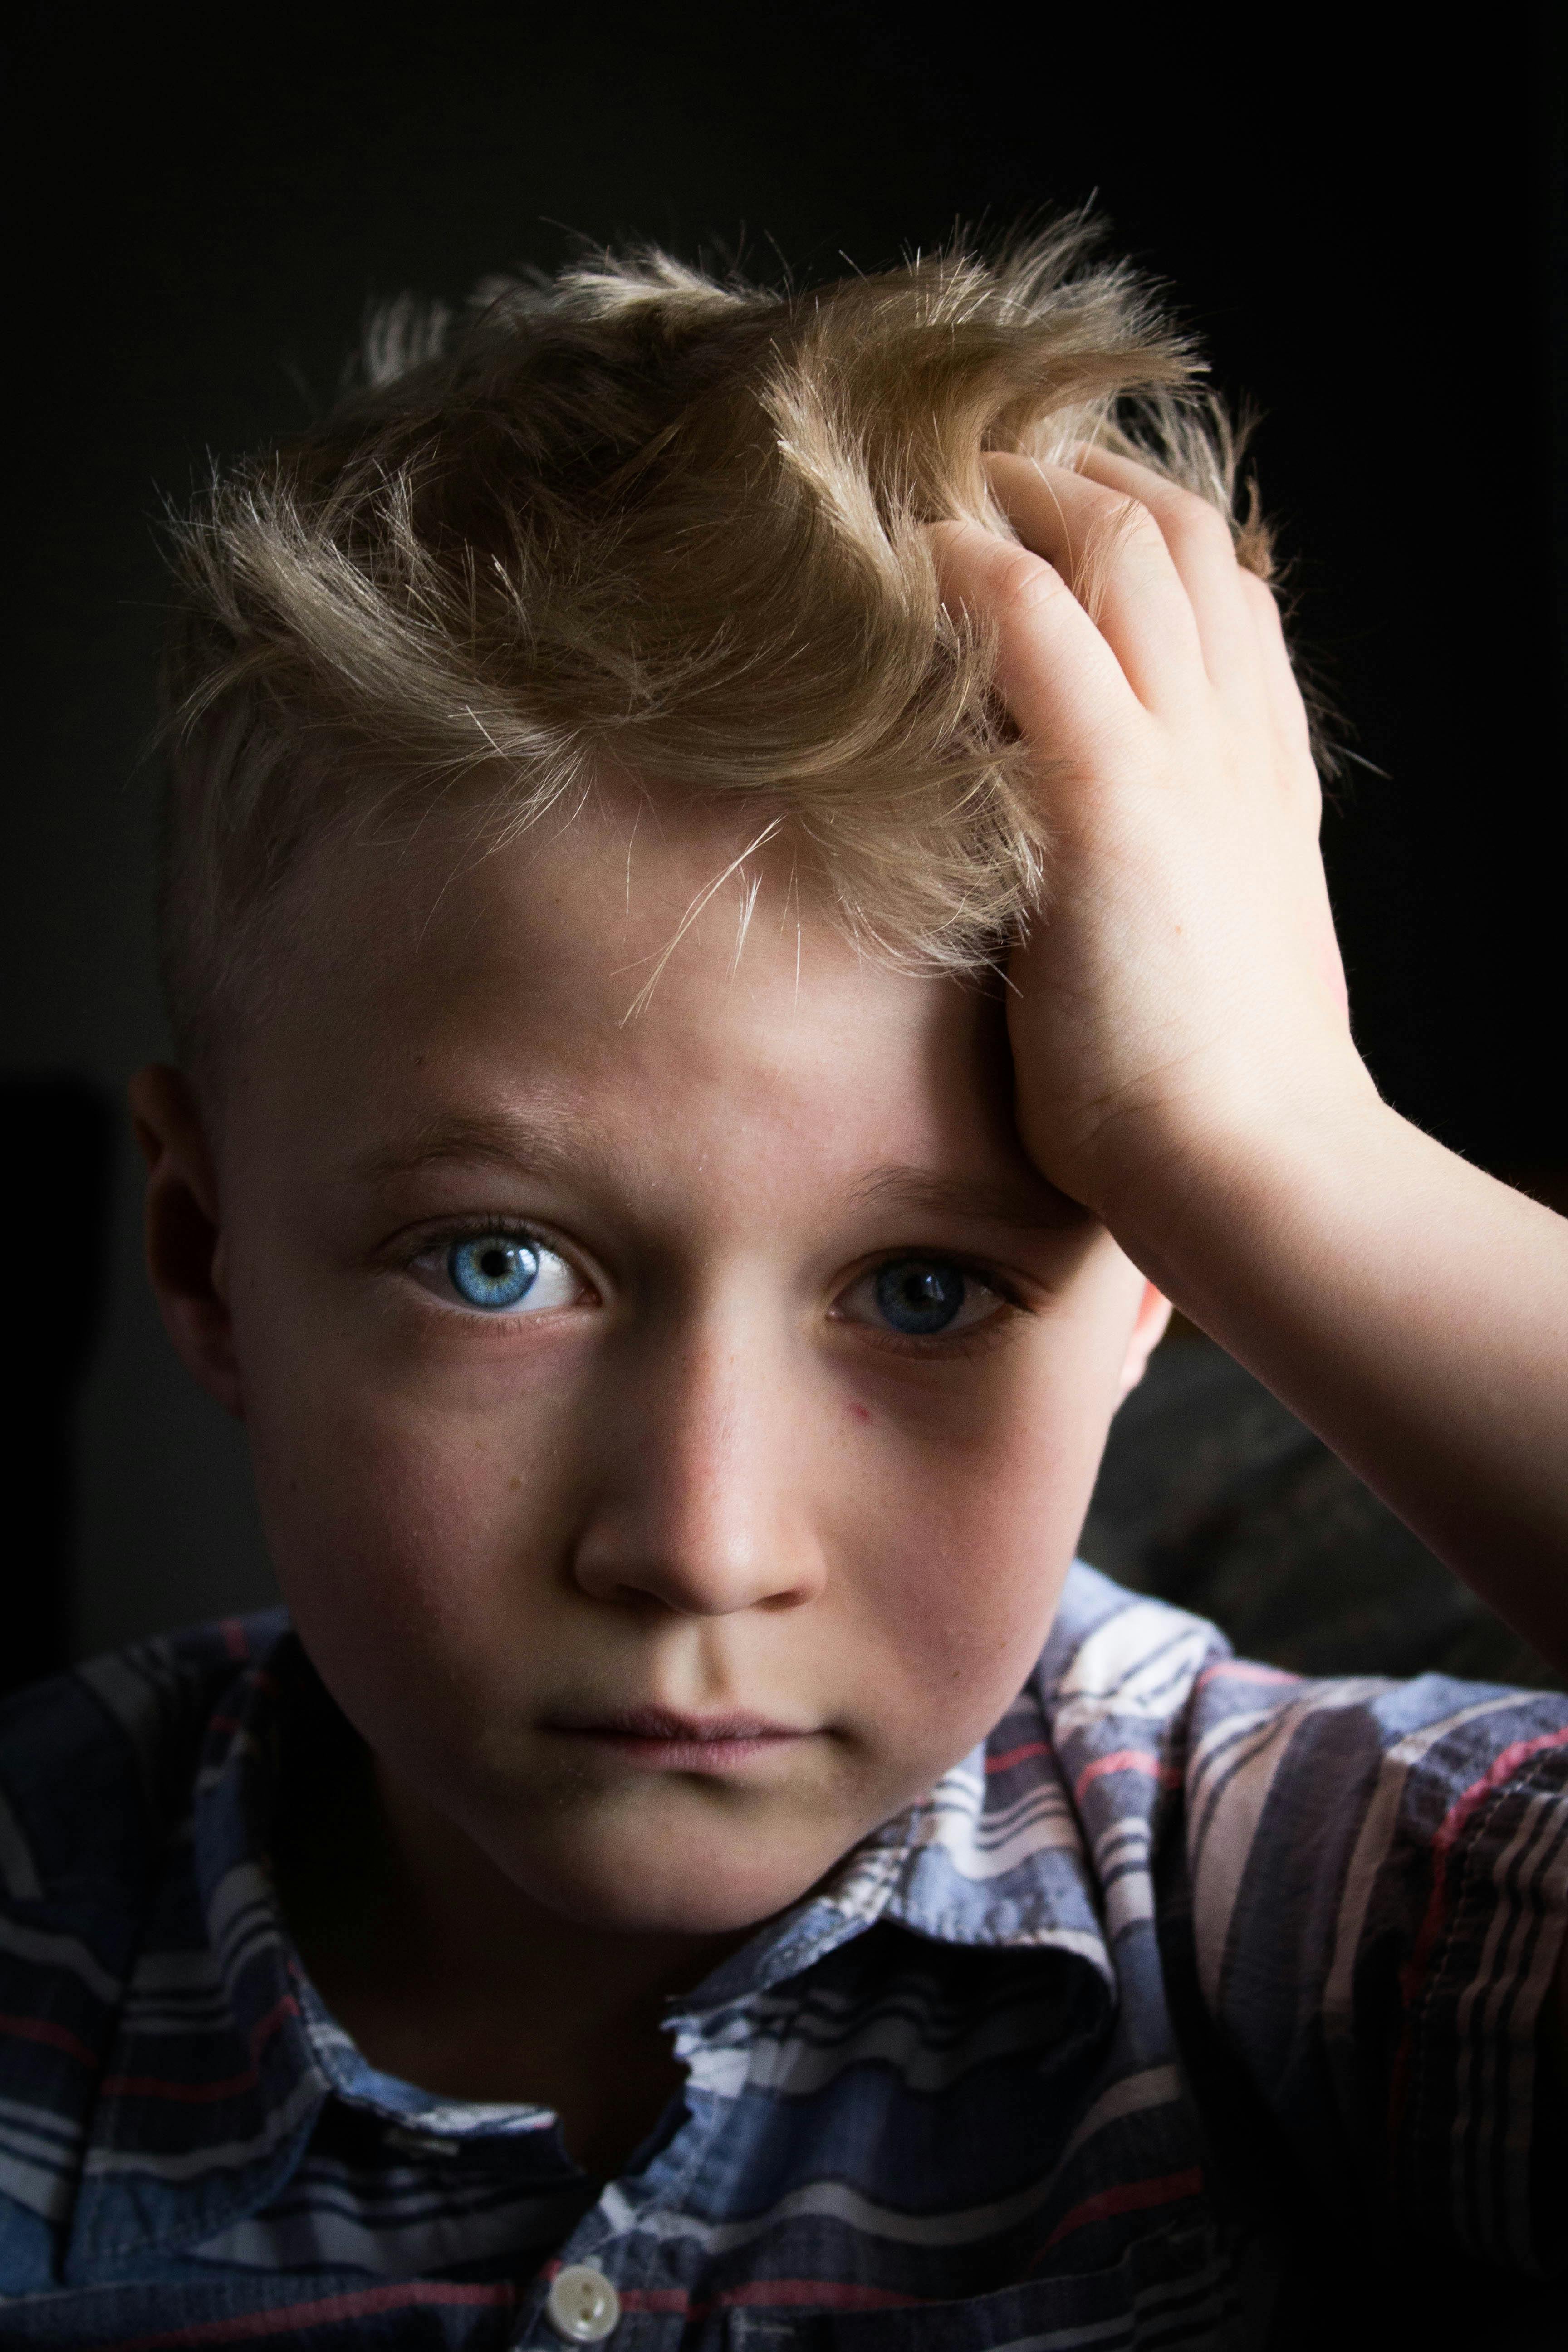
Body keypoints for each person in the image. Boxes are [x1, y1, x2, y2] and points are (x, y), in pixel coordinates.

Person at [1, 224, 1564, 2350]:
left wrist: (1275, 1138)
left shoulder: (1261, 1911)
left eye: (925, 1290)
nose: (698, 1540)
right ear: (204, 1259)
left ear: (1155, 1292)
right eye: (501, 1264)